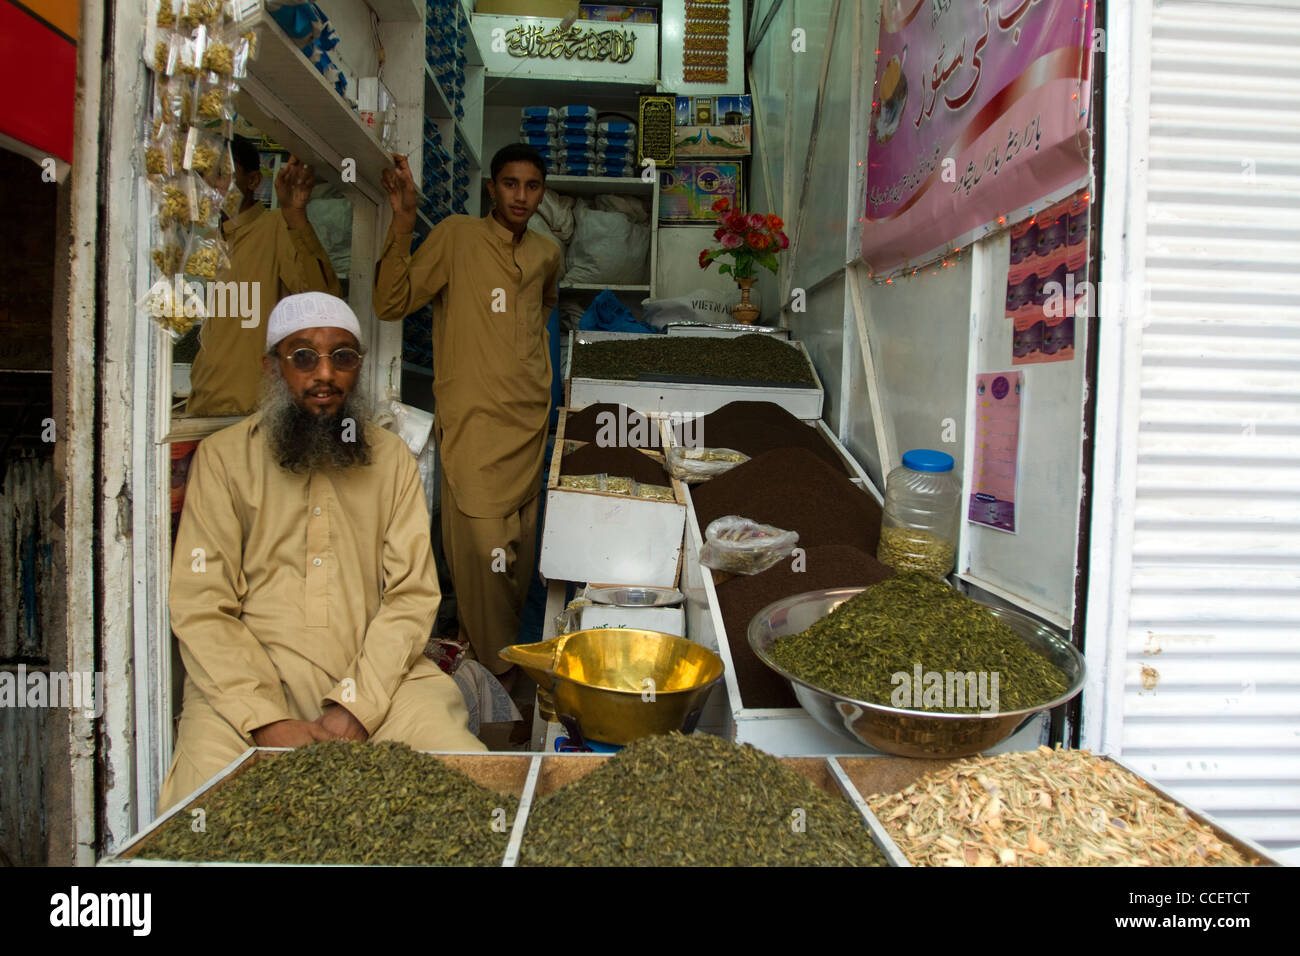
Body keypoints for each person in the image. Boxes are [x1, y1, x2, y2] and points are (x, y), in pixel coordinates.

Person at [159, 292, 483, 813]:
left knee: (463, 781)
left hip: (379, 680)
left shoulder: (391, 459)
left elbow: (411, 597)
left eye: (343, 357)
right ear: (272, 367)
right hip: (247, 686)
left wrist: (356, 705)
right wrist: (266, 718)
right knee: (200, 807)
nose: (324, 374)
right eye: (303, 356)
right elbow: (201, 605)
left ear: (358, 369)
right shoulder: (224, 459)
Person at [373, 144, 562, 690]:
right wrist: (403, 223)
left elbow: (543, 307)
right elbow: (393, 300)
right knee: (484, 556)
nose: (521, 196)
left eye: (531, 186)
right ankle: (499, 673)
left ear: (541, 192)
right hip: (476, 427)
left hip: (529, 423)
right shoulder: (457, 237)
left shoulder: (548, 253)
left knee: (520, 557)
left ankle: (491, 671)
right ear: (492, 189)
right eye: (510, 184)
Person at [185, 137, 342, 418]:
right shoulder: (211, 240)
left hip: (252, 414)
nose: (207, 185)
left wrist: (295, 215)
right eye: (201, 174)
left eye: (221, 173)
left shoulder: (275, 227)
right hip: (203, 407)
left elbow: (324, 299)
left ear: (254, 181)